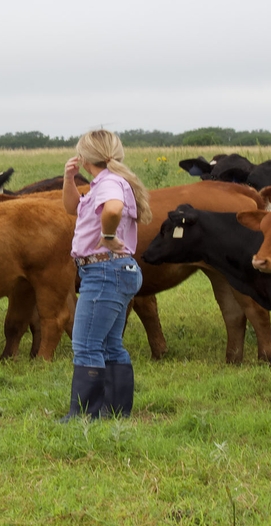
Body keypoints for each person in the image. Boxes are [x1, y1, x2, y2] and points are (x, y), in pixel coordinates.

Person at [60, 129, 152, 422]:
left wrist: (108, 235)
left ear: (86, 157)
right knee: (111, 345)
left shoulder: (110, 184)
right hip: (113, 270)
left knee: (86, 345)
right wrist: (68, 179)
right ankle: (115, 411)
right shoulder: (105, 182)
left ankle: (83, 416)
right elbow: (72, 208)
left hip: (104, 270)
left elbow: (113, 208)